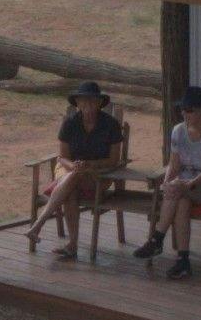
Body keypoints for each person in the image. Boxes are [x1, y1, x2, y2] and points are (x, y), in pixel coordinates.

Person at [138, 85, 201, 280]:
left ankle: (157, 239)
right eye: (182, 109)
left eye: (189, 110)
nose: (184, 113)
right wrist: (168, 181)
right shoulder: (178, 130)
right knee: (182, 203)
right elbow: (174, 164)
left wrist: (186, 185)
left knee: (178, 193)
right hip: (184, 188)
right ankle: (183, 261)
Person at [32, 79, 130, 256]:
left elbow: (114, 160)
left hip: (99, 174)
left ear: (100, 103)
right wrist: (75, 166)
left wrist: (90, 165)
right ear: (77, 102)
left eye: (92, 100)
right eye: (83, 100)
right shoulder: (70, 123)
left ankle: (39, 225)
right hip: (69, 169)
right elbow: (62, 157)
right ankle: (72, 245)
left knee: (74, 180)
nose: (88, 104)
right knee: (72, 188)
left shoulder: (111, 125)